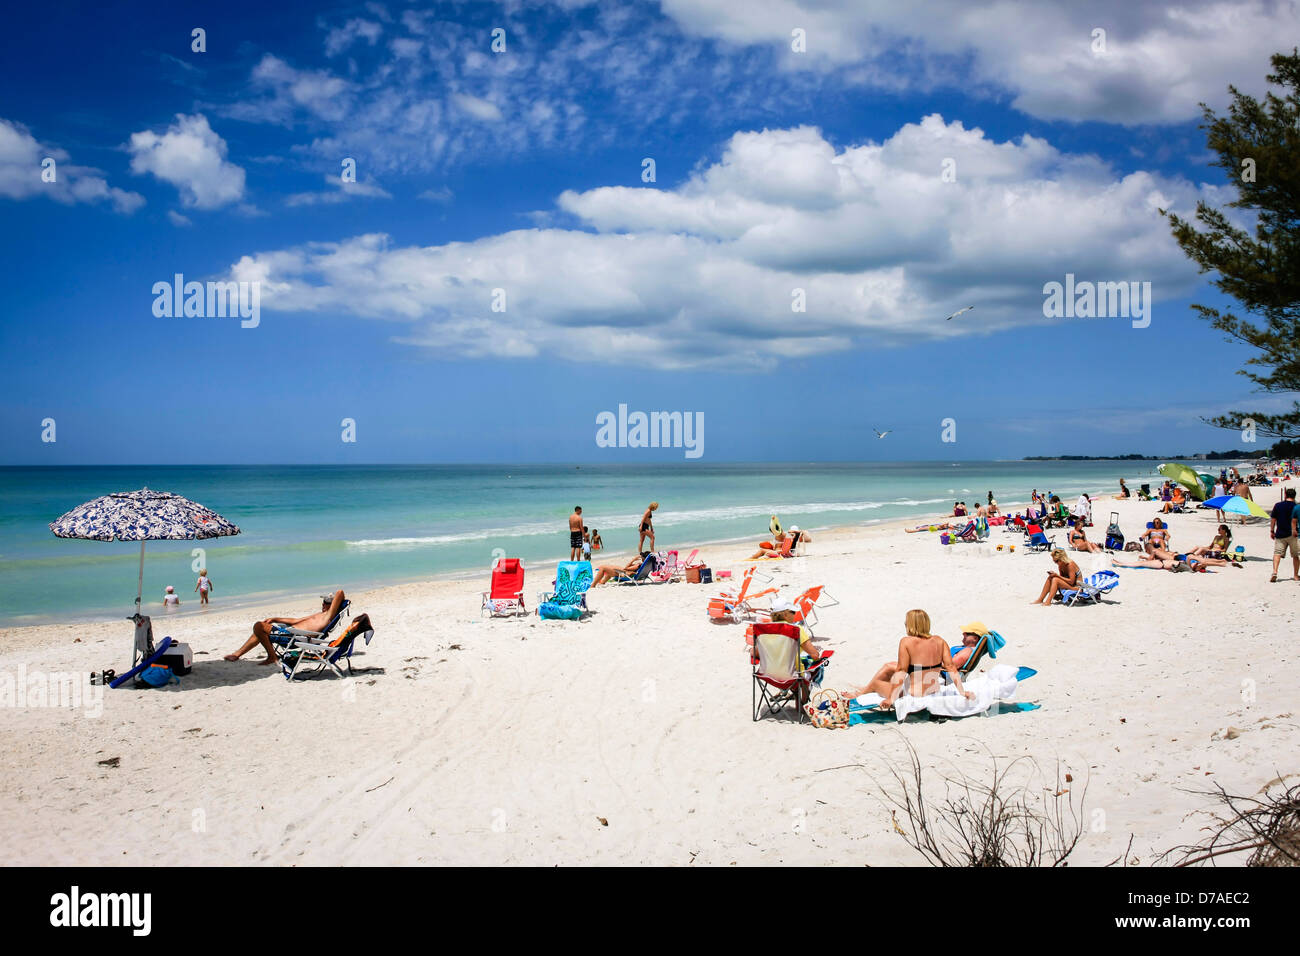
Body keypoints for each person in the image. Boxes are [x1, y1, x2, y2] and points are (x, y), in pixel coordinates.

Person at [841, 609, 974, 709]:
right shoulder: (940, 640)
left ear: (911, 625)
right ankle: (862, 691)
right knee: (888, 668)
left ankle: (860, 694)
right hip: (933, 690)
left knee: (877, 684)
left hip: (913, 694)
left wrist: (891, 699)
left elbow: (901, 671)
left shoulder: (906, 642)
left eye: (906, 622)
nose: (905, 624)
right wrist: (962, 691)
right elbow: (951, 667)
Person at [225, 590, 347, 664]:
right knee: (260, 630)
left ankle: (272, 657)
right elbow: (296, 620)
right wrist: (275, 618)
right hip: (290, 632)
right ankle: (237, 654)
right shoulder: (320, 614)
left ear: (331, 605)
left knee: (259, 626)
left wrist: (334, 603)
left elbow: (340, 592)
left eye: (325, 602)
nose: (322, 604)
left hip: (294, 638)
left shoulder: (328, 617)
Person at [1270, 487, 1299, 583]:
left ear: (1285, 495)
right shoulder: (1296, 506)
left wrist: (1272, 530)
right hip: (1293, 534)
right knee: (1295, 556)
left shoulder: (1278, 505)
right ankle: (1295, 575)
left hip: (1280, 533)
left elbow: (1273, 519)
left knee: (1277, 553)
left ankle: (1274, 572)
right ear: (1294, 496)